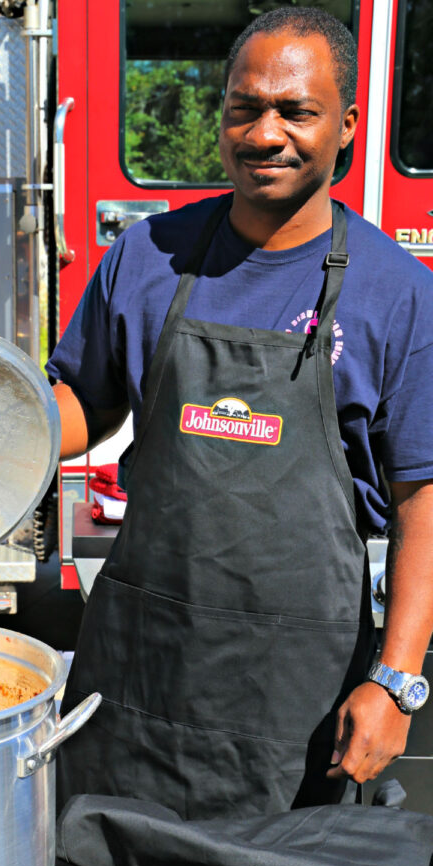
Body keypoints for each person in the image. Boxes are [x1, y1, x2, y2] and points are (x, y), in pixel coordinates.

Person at [49, 6, 433, 821]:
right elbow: (84, 401)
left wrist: (397, 680)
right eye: (244, 108)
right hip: (141, 664)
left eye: (296, 111)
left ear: (347, 125)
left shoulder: (398, 293)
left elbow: (421, 501)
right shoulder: (147, 256)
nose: (265, 134)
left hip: (297, 694)